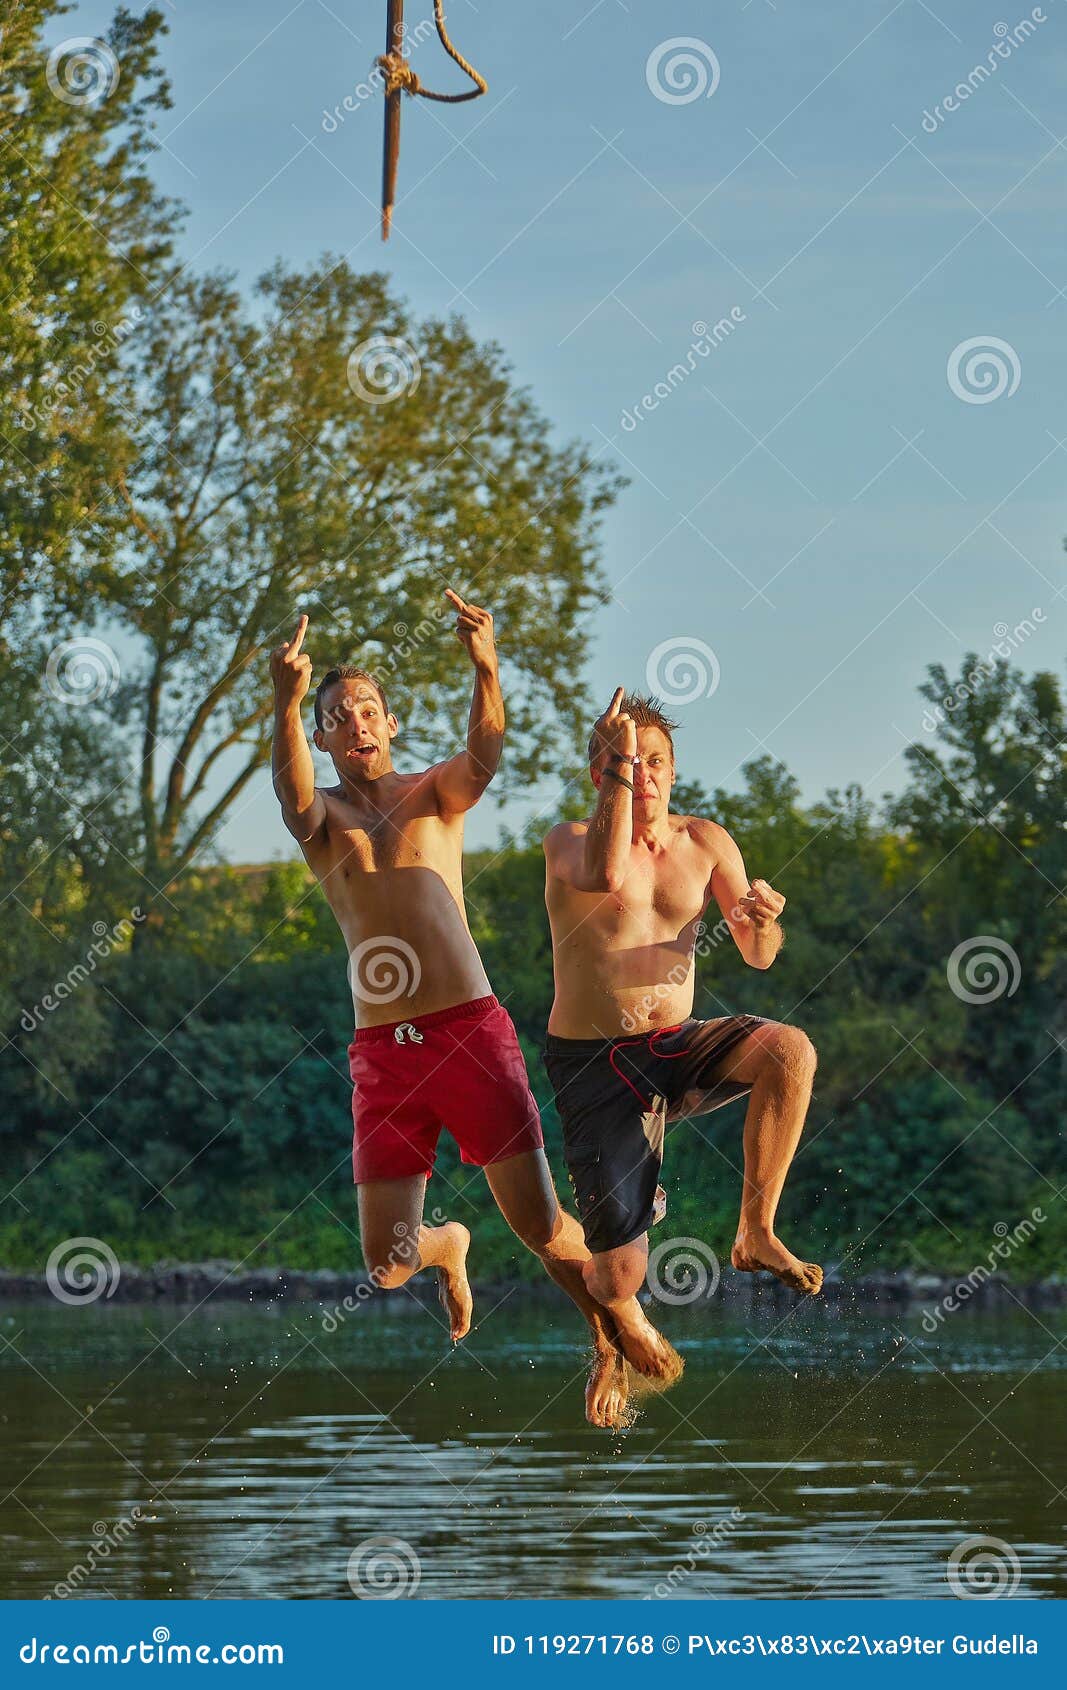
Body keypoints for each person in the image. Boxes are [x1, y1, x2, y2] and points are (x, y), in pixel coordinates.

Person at [269, 599, 681, 1428]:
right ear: (320, 738)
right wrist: (284, 699)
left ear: (391, 724)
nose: (355, 723)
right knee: (387, 1265)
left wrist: (485, 664)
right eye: (335, 717)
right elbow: (290, 792)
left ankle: (608, 1331)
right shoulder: (323, 823)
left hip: (467, 1033)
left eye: (367, 710)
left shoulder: (432, 795)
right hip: (384, 1051)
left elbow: (486, 753)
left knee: (539, 1225)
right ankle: (448, 1244)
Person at [541, 687, 823, 1333]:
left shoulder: (705, 841)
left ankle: (755, 1231)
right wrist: (619, 765)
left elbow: (757, 955)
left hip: (674, 1043)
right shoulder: (568, 842)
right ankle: (606, 1324)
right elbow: (605, 876)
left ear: (673, 771)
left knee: (790, 1050)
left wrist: (763, 922)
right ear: (598, 774)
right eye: (623, 761)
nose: (642, 773)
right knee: (618, 1279)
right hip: (594, 1065)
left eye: (654, 761)